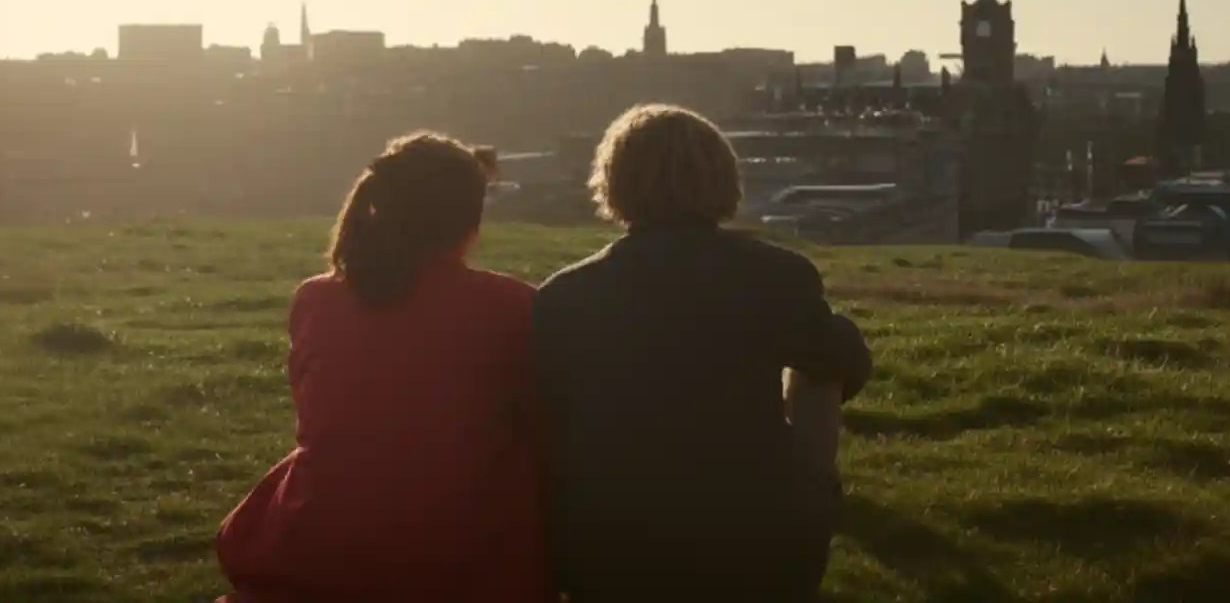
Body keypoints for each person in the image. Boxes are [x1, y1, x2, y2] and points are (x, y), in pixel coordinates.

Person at [533, 104, 872, 602]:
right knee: (820, 367)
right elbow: (846, 364)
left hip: (609, 545)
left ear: (613, 183)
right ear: (723, 179)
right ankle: (806, 499)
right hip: (752, 538)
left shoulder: (566, 295)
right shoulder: (776, 275)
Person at [216, 133, 551, 602]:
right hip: (463, 555)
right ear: (470, 220)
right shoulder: (514, 306)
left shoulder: (316, 299)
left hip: (319, 540)